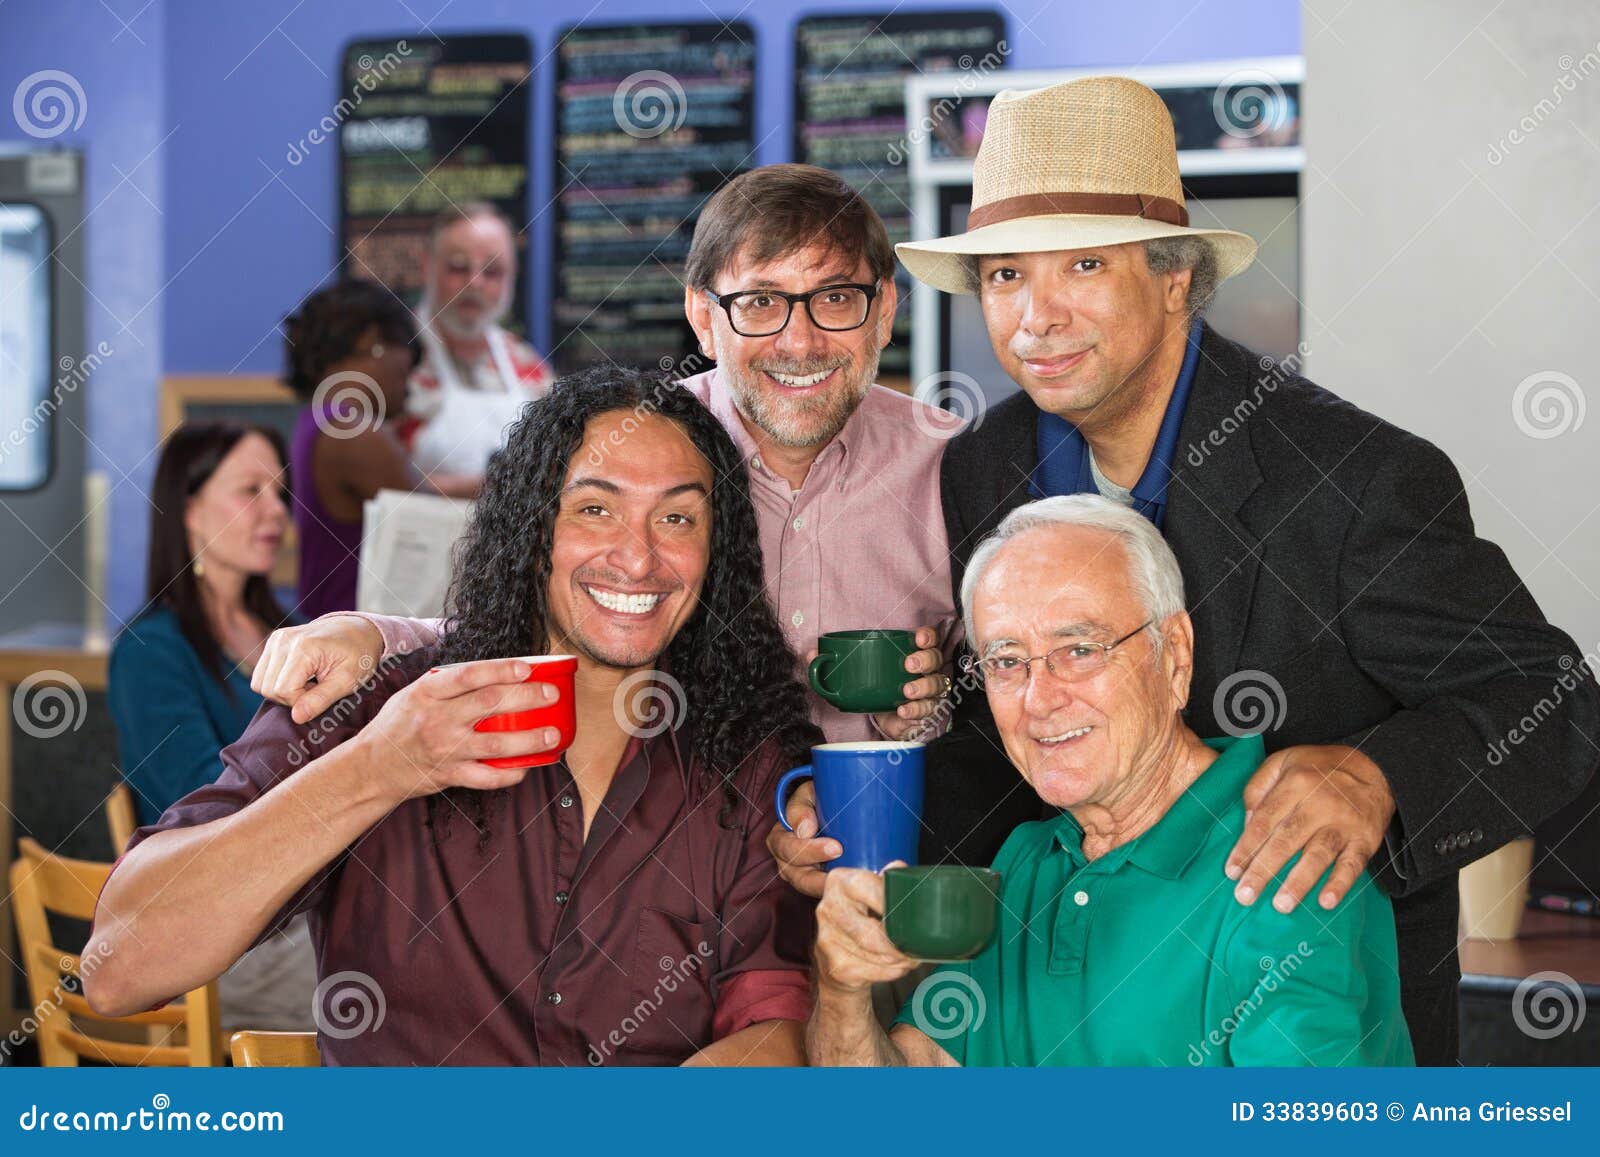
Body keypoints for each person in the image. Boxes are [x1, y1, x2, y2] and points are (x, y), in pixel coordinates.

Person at [886, 74, 1599, 1064]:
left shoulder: (1353, 479)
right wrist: (877, 846)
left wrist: (1376, 775)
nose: (1034, 317)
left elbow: (1550, 701)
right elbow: (995, 740)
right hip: (1064, 1019)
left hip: (1308, 1021)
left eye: (1081, 264)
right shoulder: (984, 464)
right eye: (1005, 275)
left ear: (1175, 275)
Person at [85, 368, 818, 1066]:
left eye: (678, 517)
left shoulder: (745, 764)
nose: (638, 556)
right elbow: (118, 967)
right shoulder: (372, 705)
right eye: (595, 508)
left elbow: (774, 1030)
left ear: (714, 551)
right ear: (533, 530)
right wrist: (378, 769)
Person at [252, 166, 957, 747]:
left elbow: (1022, 679)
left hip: (897, 869)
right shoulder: (633, 447)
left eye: (836, 298)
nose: (800, 342)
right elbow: (518, 631)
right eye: (762, 301)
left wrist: (942, 708)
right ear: (703, 317)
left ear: (886, 309)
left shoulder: (957, 464)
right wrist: (370, 632)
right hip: (677, 876)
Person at [808, 496, 1414, 1067]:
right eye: (1006, 661)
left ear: (1173, 654)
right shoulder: (1026, 861)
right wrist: (842, 989)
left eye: (1079, 650)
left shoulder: (1288, 850)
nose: (1039, 700)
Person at [107, 421, 316, 1033]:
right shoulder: (151, 650)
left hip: (302, 908)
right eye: (250, 491)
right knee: (407, 985)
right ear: (189, 511)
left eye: (281, 493)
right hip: (210, 936)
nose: (275, 512)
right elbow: (200, 808)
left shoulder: (294, 631)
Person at [283, 280, 477, 621]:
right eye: (409, 364)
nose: (411, 382)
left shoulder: (321, 419)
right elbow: (435, 530)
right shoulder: (356, 431)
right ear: (372, 342)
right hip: (359, 643)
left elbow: (407, 493)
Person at [401, 201, 551, 480]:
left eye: (492, 272)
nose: (475, 283)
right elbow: (372, 479)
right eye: (458, 268)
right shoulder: (392, 360)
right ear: (426, 266)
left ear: (512, 277)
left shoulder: (528, 367)